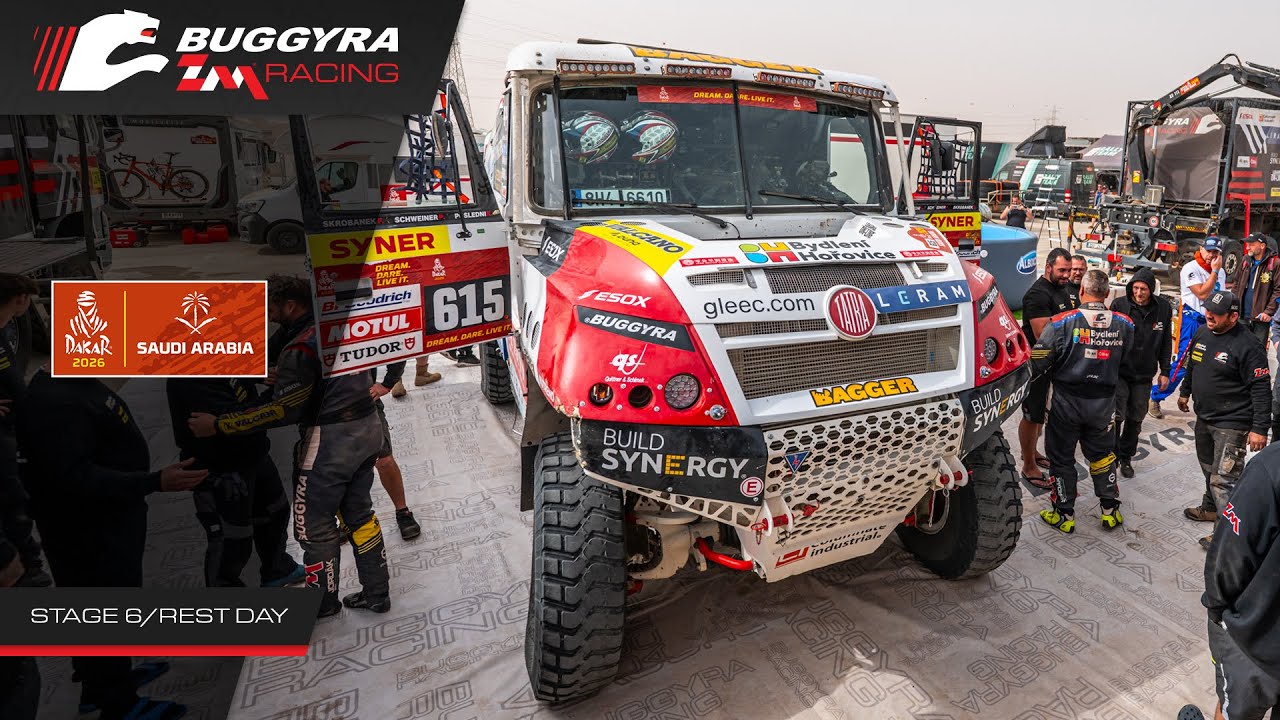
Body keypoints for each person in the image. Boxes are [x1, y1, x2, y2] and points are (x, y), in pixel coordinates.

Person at [189, 275, 391, 617]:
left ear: (290, 305)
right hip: (369, 428)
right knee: (361, 515)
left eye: (270, 307)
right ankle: (377, 593)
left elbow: (283, 409)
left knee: (313, 526)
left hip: (330, 442)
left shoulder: (300, 347)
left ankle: (322, 603)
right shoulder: (337, 323)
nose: (266, 315)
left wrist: (220, 425)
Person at [16, 370, 207, 720]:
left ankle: (101, 682)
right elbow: (74, 477)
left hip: (111, 518)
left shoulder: (74, 384)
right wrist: (153, 482)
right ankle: (118, 703)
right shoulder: (56, 401)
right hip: (88, 528)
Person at [167, 378, 304, 587]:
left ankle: (277, 569)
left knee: (275, 513)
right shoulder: (191, 377)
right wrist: (275, 399)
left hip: (253, 453)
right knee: (231, 539)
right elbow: (231, 416)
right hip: (220, 468)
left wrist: (261, 374)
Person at [1030, 269, 1134, 533]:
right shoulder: (1125, 323)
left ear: (1081, 292)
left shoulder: (1061, 321)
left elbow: (1038, 361)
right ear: (1108, 294)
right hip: (1104, 404)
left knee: (1062, 458)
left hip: (1066, 403)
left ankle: (1064, 515)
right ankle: (1109, 510)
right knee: (1102, 455)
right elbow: (1127, 359)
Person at [1178, 290, 1271, 550]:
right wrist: (1185, 392)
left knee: (1225, 480)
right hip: (1204, 418)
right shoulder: (1202, 332)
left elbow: (1261, 388)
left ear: (1232, 316)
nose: (1209, 314)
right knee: (1209, 469)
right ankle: (1210, 508)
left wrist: (1259, 428)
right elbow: (1193, 364)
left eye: (1216, 313)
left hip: (1233, 423)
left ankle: (1225, 534)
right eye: (1208, 309)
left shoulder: (1248, 345)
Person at [1199, 440, 1280, 720]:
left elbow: (1231, 556)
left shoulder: (1271, 466)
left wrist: (1217, 611)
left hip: (1256, 643)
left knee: (1235, 712)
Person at [0, 274, 49, 588]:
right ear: (20, 299)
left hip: (10, 424)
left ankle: (24, 558)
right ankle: (27, 565)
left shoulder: (2, 329)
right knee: (11, 494)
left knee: (13, 492)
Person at [1109, 268, 1173, 477]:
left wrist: (1165, 371)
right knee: (1117, 416)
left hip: (1144, 375)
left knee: (1136, 418)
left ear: (1151, 289)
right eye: (1135, 288)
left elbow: (1165, 342)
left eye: (1143, 289)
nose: (1138, 293)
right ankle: (1111, 456)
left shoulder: (1163, 308)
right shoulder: (1119, 306)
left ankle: (1126, 457)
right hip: (1120, 372)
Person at [1151, 236, 1225, 418]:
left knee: (1214, 363)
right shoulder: (1191, 268)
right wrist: (1214, 272)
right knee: (1184, 363)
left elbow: (1219, 296)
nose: (1211, 256)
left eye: (1216, 252)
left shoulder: (1220, 271)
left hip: (1213, 322)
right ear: (1201, 249)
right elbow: (1201, 293)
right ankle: (1156, 396)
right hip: (1193, 321)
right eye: (1209, 251)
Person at [1018, 247, 1074, 486]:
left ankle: (1033, 453)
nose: (1066, 275)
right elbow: (1042, 334)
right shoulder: (1037, 294)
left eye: (1069, 271)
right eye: (1062, 270)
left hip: (1054, 363)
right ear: (1048, 267)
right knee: (1033, 415)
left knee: (1041, 414)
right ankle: (1028, 465)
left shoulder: (1062, 290)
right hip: (1036, 364)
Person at [370, 362, 421, 539]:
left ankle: (402, 511)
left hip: (363, 401)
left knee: (383, 460)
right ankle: (341, 520)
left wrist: (388, 383)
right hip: (322, 409)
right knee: (333, 468)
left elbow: (396, 341)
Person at [1230, 232, 1280, 347]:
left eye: (1252, 244)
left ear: (1262, 246)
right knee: (1238, 349)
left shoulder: (1274, 264)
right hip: (1241, 316)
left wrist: (1268, 312)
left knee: (1257, 352)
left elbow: (1278, 290)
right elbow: (1236, 284)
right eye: (1248, 244)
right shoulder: (1245, 261)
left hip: (1261, 319)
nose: (1248, 247)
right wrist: (1234, 306)